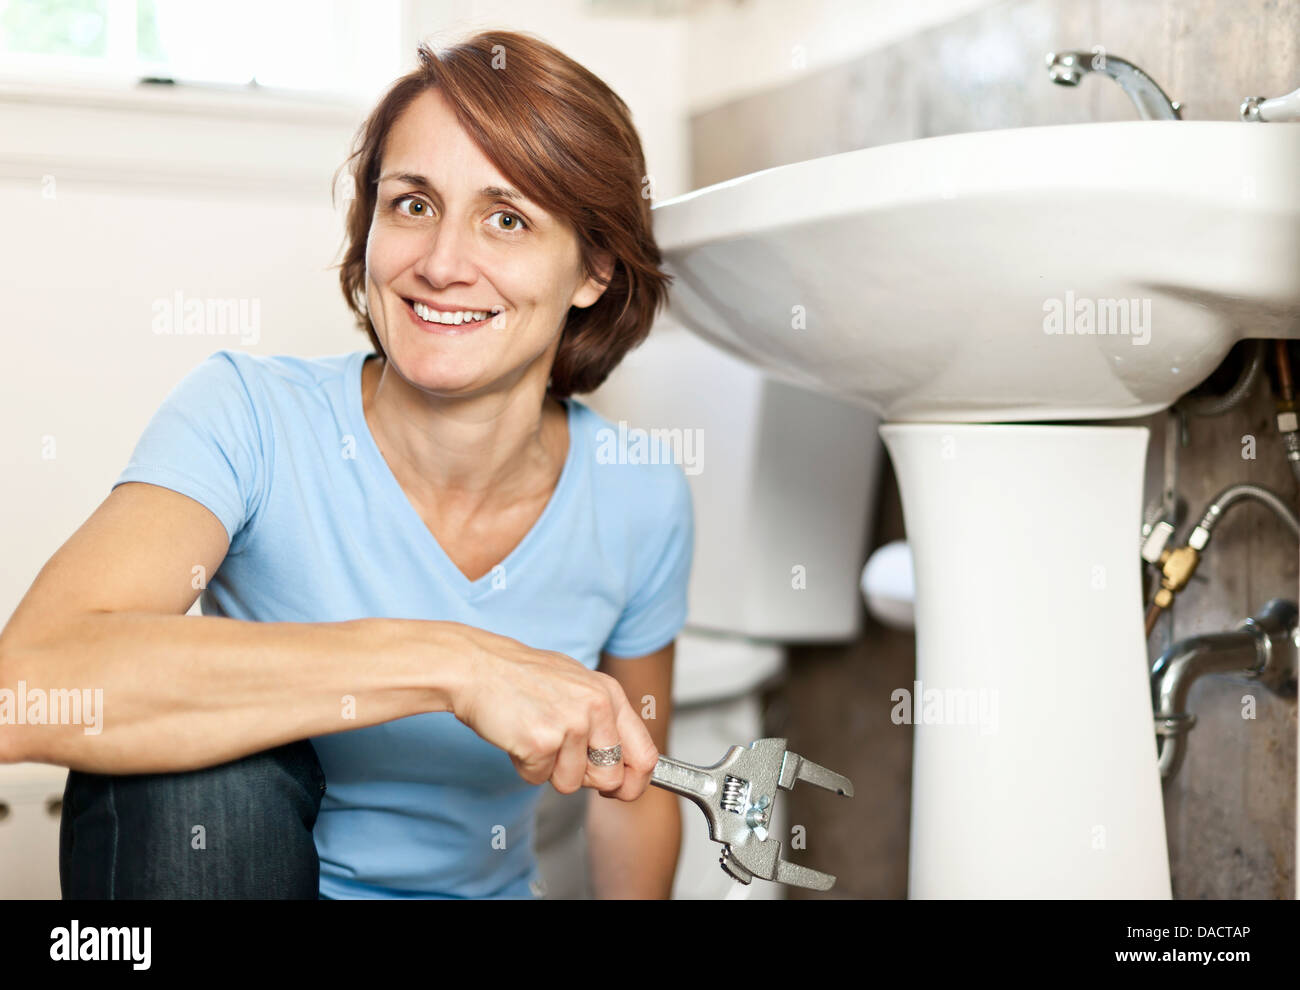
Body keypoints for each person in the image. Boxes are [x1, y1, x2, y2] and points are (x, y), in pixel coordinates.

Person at [0, 29, 693, 900]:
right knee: (205, 763)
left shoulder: (638, 492)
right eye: (412, 204)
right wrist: (456, 664)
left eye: (506, 218)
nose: (441, 264)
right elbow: (27, 690)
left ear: (594, 266)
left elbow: (631, 785)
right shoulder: (248, 417)